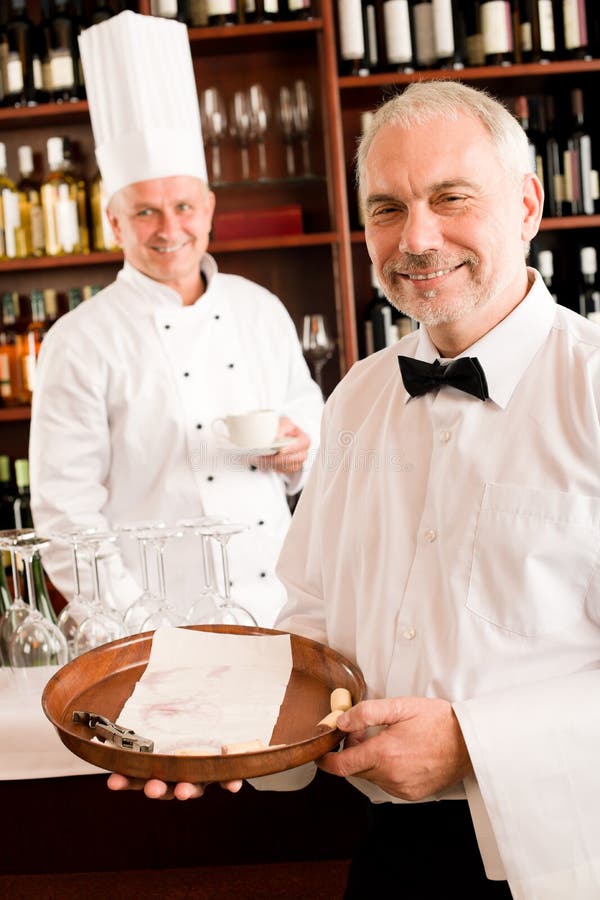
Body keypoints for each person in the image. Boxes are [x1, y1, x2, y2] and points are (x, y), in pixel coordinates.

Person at [111, 80, 600, 899]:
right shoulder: (357, 397)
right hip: (389, 857)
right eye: (386, 208)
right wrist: (207, 732)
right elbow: (312, 618)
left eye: (451, 198)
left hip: (562, 856)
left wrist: (474, 744)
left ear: (526, 205)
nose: (417, 238)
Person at [29, 12, 323, 627]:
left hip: (283, 610)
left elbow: (316, 451)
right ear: (114, 222)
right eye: (145, 212)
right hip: (157, 626)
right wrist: (141, 625)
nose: (169, 229)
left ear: (209, 209)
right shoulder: (79, 340)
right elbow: (65, 517)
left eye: (184, 206)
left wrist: (300, 452)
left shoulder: (259, 309)